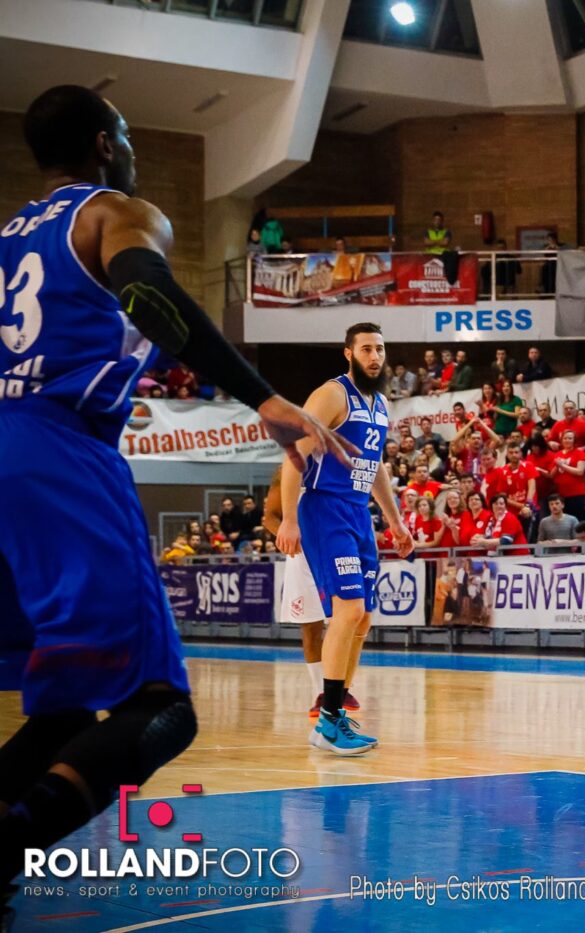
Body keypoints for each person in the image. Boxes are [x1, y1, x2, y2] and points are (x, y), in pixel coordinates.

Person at [0, 86, 357, 890]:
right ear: (101, 143)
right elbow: (148, 295)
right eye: (124, 133)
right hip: (55, 448)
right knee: (160, 708)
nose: (129, 147)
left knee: (61, 712)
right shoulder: (113, 212)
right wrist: (263, 395)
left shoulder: (7, 236)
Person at [276, 323, 414, 756]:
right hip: (324, 508)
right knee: (348, 609)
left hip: (357, 513)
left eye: (380, 349)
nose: (375, 356)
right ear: (348, 354)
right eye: (367, 349)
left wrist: (395, 520)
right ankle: (329, 720)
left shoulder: (380, 404)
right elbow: (294, 453)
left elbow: (375, 468)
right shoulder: (333, 395)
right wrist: (289, 519)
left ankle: (333, 710)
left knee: (363, 616)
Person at [264, 464, 365, 721]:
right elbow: (269, 516)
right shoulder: (286, 471)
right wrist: (288, 536)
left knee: (348, 619)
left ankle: (342, 688)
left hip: (333, 546)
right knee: (310, 626)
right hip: (301, 558)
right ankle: (320, 693)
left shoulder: (339, 465)